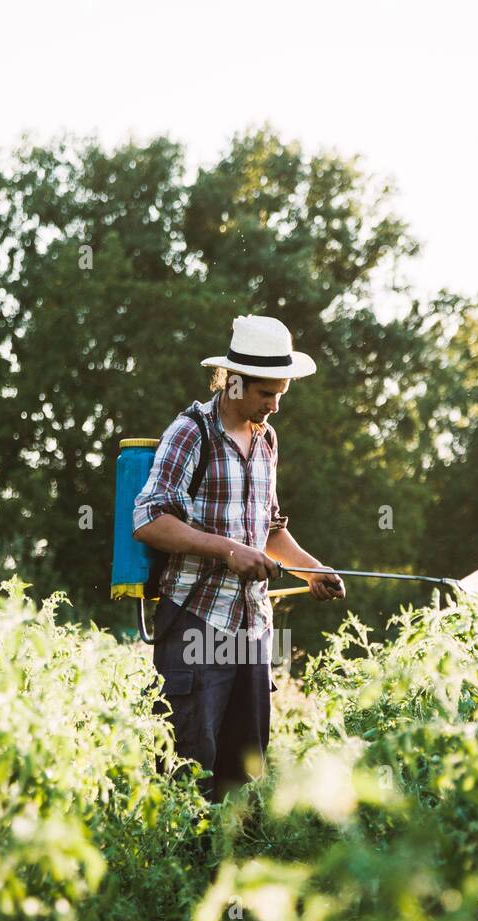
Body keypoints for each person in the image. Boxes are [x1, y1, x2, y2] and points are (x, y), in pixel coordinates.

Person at [132, 314, 345, 802]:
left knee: (243, 776)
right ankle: (181, 873)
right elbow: (148, 520)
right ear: (233, 383)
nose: (274, 406)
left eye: (280, 395)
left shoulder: (267, 441)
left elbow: (270, 530)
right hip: (195, 623)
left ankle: (235, 873)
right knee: (187, 774)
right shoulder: (191, 432)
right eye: (266, 394)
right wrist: (229, 552)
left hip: (252, 629)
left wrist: (313, 570)